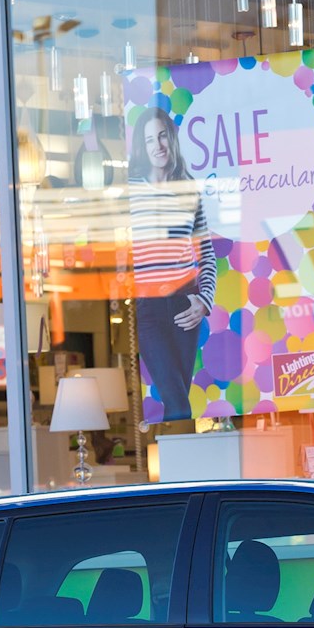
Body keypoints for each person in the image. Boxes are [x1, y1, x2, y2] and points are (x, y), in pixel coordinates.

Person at [127, 108, 217, 422]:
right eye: (149, 139)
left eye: (163, 135)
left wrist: (204, 302)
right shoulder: (129, 192)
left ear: (172, 138)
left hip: (184, 306)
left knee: (178, 403)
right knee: (178, 405)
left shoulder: (188, 189)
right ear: (142, 145)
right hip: (149, 308)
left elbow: (207, 255)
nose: (158, 145)